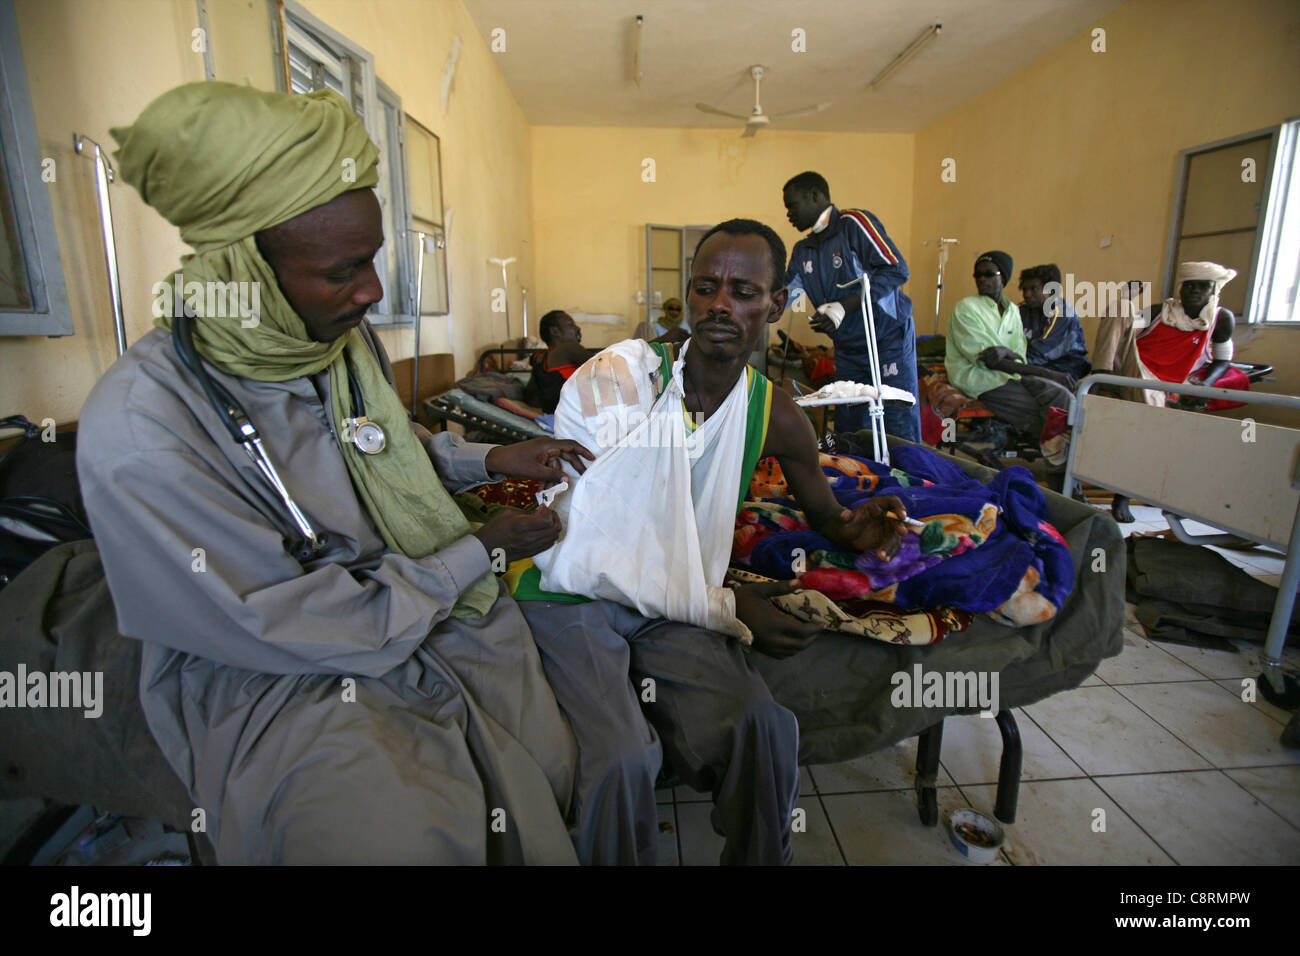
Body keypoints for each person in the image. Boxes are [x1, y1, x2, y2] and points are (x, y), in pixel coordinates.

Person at [75, 82, 599, 865]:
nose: (374, 291)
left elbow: (382, 450)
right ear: (243, 268)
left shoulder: (336, 341)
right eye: (344, 269)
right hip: (280, 669)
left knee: (548, 771)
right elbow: (271, 619)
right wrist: (474, 553)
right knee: (405, 836)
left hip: (419, 604)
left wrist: (486, 457)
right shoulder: (143, 427)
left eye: (374, 259)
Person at [519, 219, 908, 865]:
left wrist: (859, 526)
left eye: (745, 292)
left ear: (777, 305)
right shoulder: (621, 382)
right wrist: (722, 604)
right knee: (620, 758)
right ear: (690, 297)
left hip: (673, 601)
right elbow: (592, 535)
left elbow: (831, 518)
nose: (721, 304)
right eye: (706, 287)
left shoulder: (776, 413)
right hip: (574, 594)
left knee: (764, 727)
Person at [781, 171, 920, 442]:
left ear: (815, 196)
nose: (788, 215)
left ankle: (908, 481)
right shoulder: (803, 250)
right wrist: (750, 310)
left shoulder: (854, 225)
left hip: (886, 340)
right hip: (848, 349)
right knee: (850, 427)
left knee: (897, 423)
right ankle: (860, 481)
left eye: (792, 206)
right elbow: (784, 295)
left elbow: (896, 270)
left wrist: (843, 307)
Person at [1096, 261, 1239, 522]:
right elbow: (1124, 330)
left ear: (1213, 290)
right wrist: (1126, 301)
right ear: (1180, 288)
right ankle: (1101, 374)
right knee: (1121, 306)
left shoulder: (1221, 319)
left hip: (1170, 383)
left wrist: (1207, 385)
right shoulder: (1161, 311)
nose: (1195, 291)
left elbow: (1222, 361)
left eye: (1203, 286)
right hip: (1135, 368)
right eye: (1189, 285)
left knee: (1152, 429)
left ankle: (1126, 494)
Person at [945, 250, 1073, 440]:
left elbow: (1017, 355)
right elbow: (990, 360)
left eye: (988, 274)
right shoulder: (966, 308)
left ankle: (1066, 457)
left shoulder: (1013, 310)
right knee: (1037, 410)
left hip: (1011, 375)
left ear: (1003, 277)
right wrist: (1049, 373)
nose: (981, 279)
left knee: (1062, 397)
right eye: (977, 275)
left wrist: (1005, 352)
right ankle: (1056, 458)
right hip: (979, 378)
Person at [1019, 264, 1091, 382]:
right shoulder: (1021, 309)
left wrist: (1010, 364)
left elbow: (1043, 351)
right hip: (1033, 362)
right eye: (1024, 289)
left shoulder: (1063, 312)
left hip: (1065, 364)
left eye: (1033, 289)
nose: (1027, 294)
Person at [523, 310, 594, 414]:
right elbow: (605, 365)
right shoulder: (568, 348)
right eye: (571, 324)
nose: (577, 328)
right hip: (571, 412)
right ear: (555, 332)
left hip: (552, 411)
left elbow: (531, 397)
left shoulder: (539, 357)